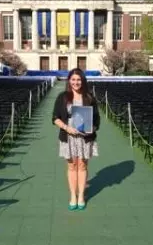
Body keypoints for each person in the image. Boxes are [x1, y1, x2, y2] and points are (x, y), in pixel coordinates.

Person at [52, 68, 100, 211]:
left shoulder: (89, 97)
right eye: (73, 79)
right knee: (72, 166)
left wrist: (92, 128)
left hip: (85, 138)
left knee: (83, 165)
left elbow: (97, 119)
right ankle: (73, 195)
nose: (76, 82)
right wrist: (67, 128)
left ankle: (81, 196)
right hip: (69, 136)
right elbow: (55, 118)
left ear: (83, 80)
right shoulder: (63, 97)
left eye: (78, 79)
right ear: (69, 81)